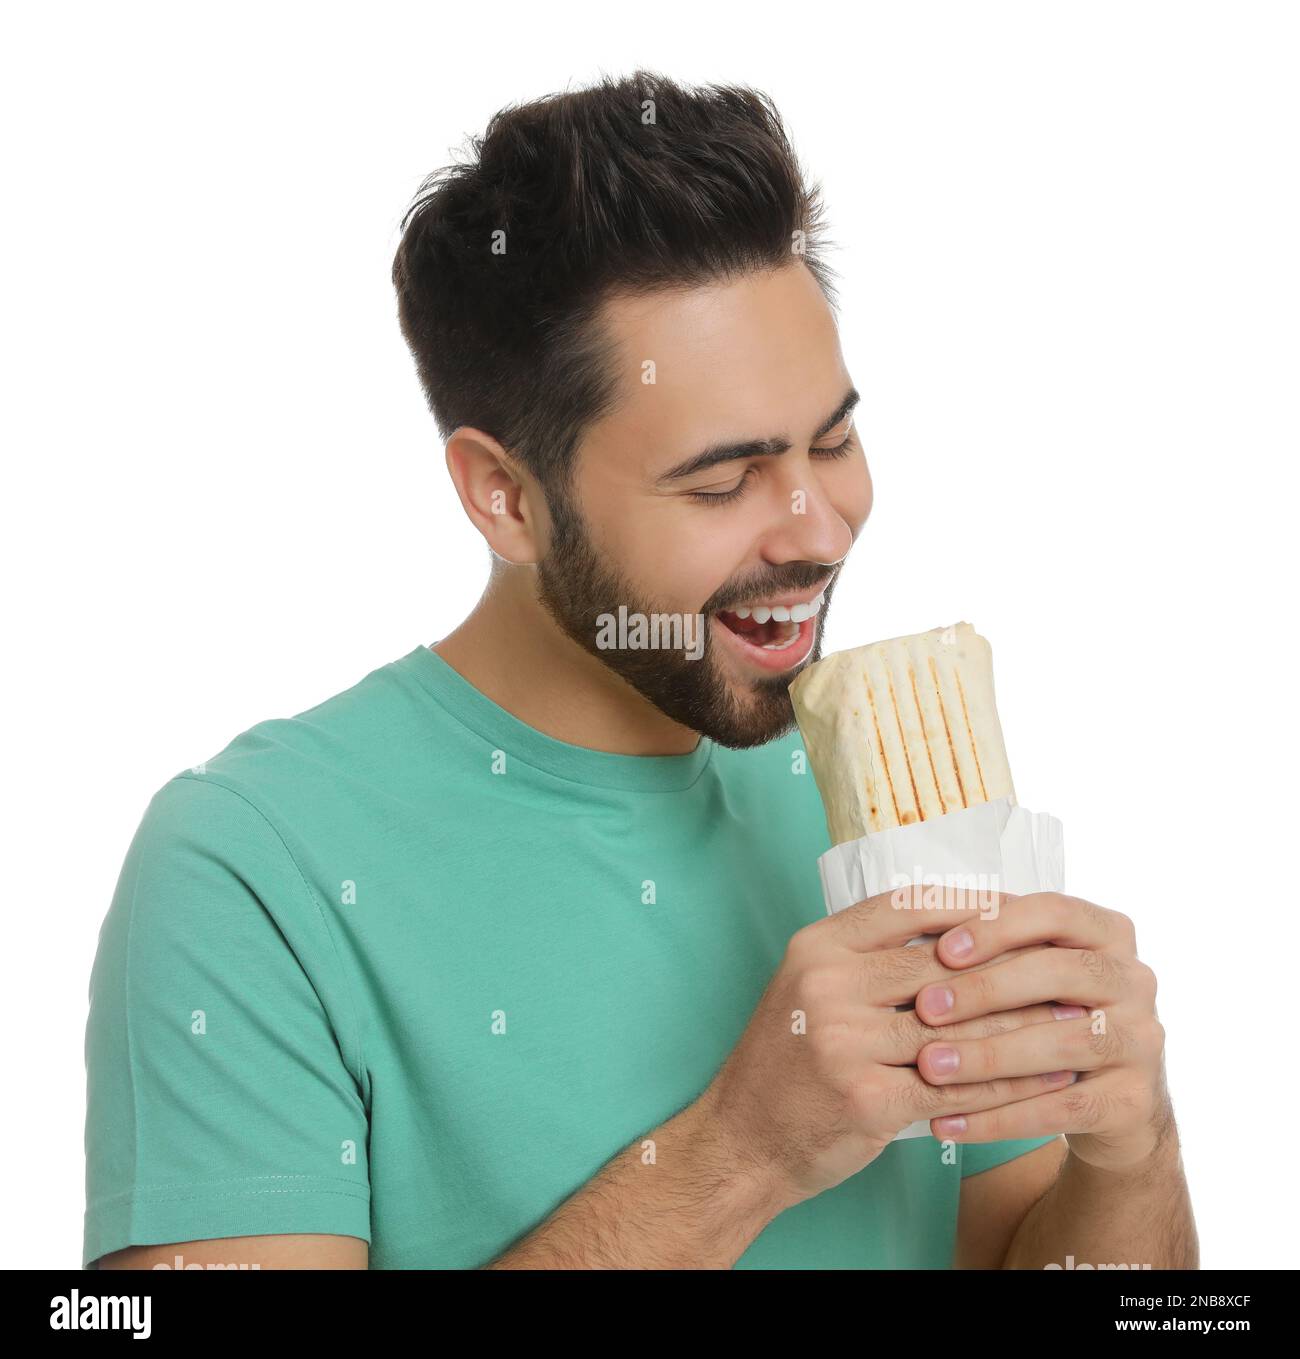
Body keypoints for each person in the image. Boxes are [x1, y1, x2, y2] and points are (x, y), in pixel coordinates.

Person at [85, 70, 1194, 1270]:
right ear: (505, 498)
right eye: (720, 482)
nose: (818, 529)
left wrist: (1130, 1151)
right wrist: (743, 1154)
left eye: (832, 440)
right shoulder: (251, 867)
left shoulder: (881, 802)